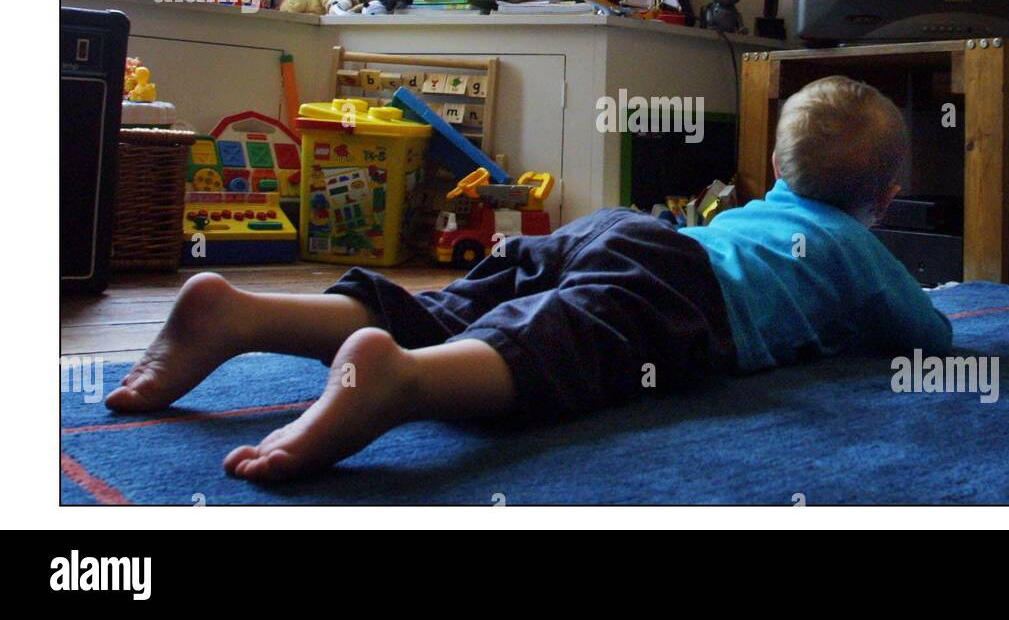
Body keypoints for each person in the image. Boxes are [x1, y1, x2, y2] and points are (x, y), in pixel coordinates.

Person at [106, 75, 952, 482]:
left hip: (628, 228)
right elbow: (928, 332)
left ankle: (246, 315)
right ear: (884, 195)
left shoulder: (756, 210)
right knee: (561, 340)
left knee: (454, 302)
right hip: (683, 288)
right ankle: (402, 381)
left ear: (772, 167)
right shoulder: (855, 244)